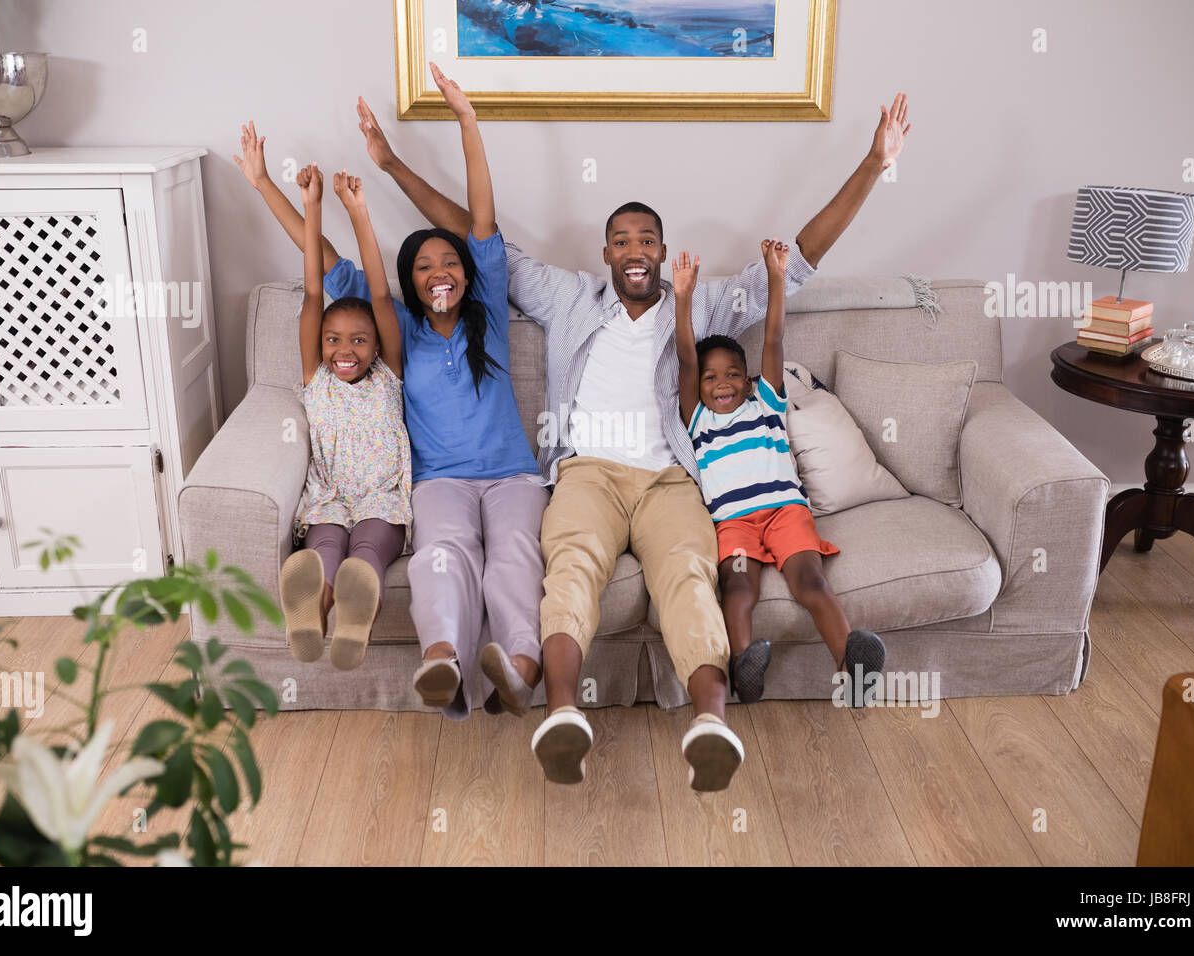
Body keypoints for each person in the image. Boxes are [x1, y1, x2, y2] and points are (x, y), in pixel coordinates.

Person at [355, 85, 911, 789]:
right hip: (585, 472)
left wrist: (872, 162)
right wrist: (391, 164)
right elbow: (475, 233)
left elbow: (797, 263)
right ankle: (563, 716)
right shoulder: (566, 296)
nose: (635, 251)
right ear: (607, 254)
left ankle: (709, 722)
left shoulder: (700, 299)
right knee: (573, 570)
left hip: (670, 479)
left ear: (664, 250)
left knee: (686, 576)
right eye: (621, 241)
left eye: (647, 239)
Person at [235, 63, 548, 718]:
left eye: (450, 262)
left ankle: (518, 668)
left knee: (514, 555)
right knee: (441, 554)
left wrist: (467, 120)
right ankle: (443, 662)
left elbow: (481, 215)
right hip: (435, 483)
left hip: (515, 476)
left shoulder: (487, 308)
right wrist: (265, 185)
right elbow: (319, 256)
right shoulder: (392, 332)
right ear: (409, 282)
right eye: (425, 266)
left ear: (469, 274)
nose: (440, 273)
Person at [673, 242, 886, 704]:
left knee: (810, 583)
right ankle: (744, 669)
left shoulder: (765, 404)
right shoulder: (698, 420)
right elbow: (687, 359)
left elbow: (773, 340)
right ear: (698, 389)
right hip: (734, 524)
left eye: (732, 374)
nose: (722, 383)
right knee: (739, 587)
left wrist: (777, 277)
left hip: (786, 512)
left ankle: (851, 668)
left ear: (749, 381)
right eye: (711, 379)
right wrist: (683, 298)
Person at [276, 162, 411, 672]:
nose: (345, 350)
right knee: (324, 547)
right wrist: (312, 209)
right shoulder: (317, 380)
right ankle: (313, 609)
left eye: (359, 339)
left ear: (377, 343)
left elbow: (379, 294)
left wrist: (359, 214)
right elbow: (314, 294)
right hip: (329, 496)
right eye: (333, 340)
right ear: (321, 345)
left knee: (370, 549)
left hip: (382, 496)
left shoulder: (388, 374)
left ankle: (355, 605)